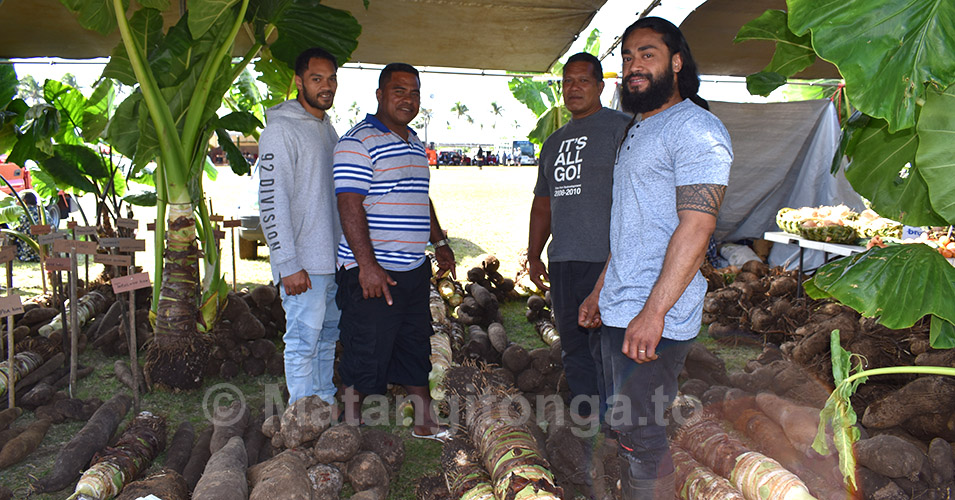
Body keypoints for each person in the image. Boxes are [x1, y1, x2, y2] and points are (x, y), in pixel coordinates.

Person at [578, 17, 733, 499]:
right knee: (625, 426)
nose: (634, 66)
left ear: (677, 62)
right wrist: (601, 290)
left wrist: (654, 312)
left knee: (642, 435)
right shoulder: (638, 128)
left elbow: (698, 226)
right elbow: (631, 224)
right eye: (627, 57)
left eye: (648, 54)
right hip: (622, 306)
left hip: (655, 314)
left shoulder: (696, 128)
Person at [334, 62, 455, 441]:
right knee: (364, 352)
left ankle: (425, 422)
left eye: (414, 92)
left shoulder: (415, 142)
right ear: (380, 95)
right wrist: (367, 266)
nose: (407, 99)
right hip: (372, 273)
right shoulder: (358, 142)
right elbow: (349, 205)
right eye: (398, 90)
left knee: (414, 344)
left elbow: (420, 197)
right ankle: (349, 430)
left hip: (413, 269)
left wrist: (439, 241)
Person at [527, 52, 630, 424]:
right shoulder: (553, 142)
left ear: (600, 86)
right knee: (572, 343)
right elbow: (543, 203)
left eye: (583, 80)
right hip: (563, 260)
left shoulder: (623, 128)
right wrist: (534, 254)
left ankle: (618, 421)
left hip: (608, 260)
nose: (574, 88)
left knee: (609, 345)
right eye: (567, 81)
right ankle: (586, 417)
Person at [258, 47, 342, 406]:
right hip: (303, 266)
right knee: (302, 343)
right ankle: (302, 417)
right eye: (316, 78)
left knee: (326, 339)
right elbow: (271, 202)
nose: (326, 86)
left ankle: (324, 404)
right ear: (298, 81)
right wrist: (287, 264)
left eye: (331, 78)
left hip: (332, 262)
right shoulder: (280, 131)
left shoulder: (328, 129)